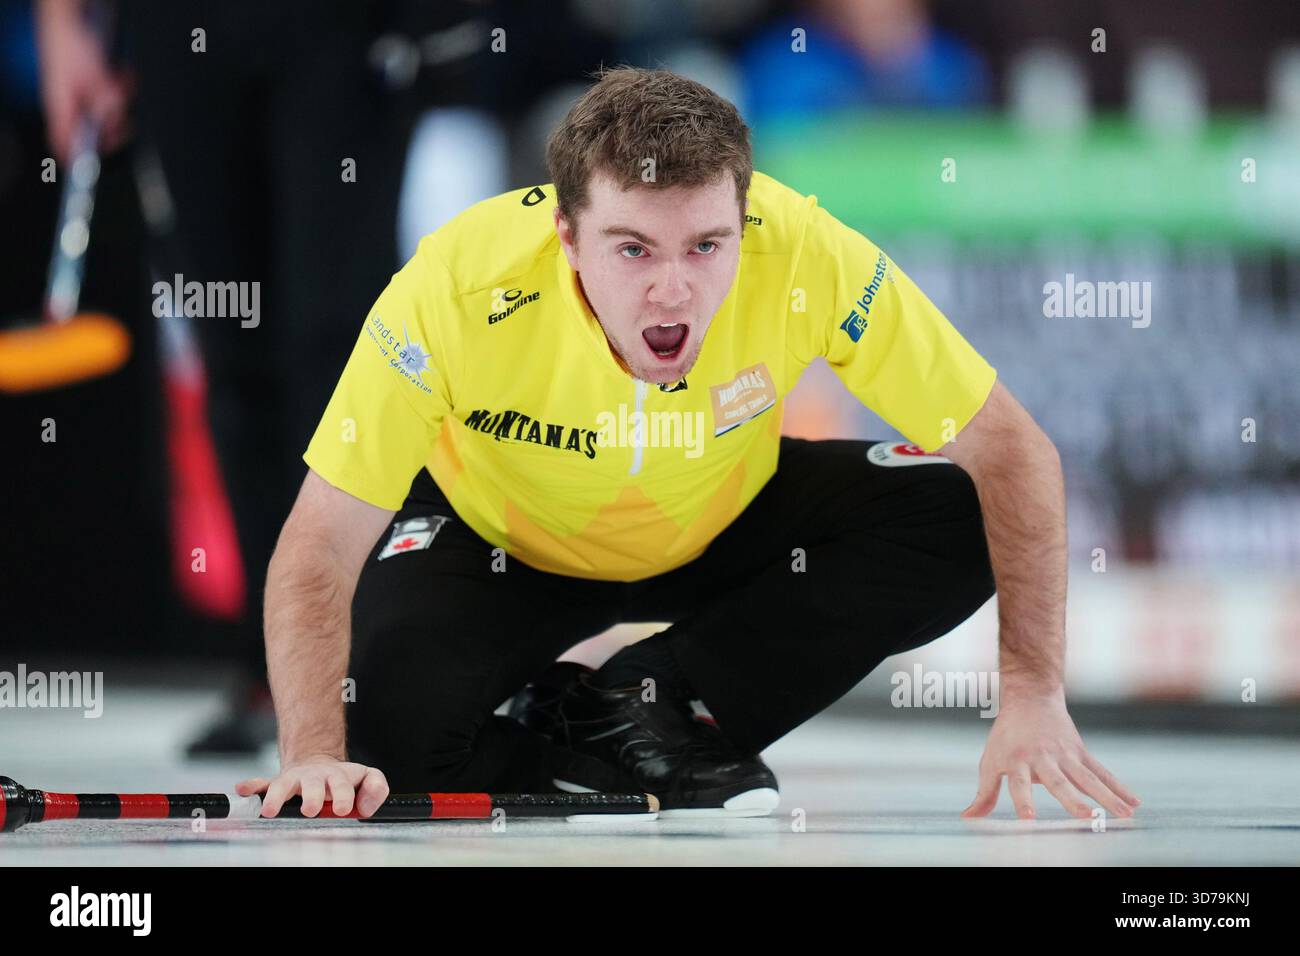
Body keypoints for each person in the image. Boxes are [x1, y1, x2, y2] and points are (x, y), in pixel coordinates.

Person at [238, 67, 1140, 820]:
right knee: (376, 749)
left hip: (719, 512)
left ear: (746, 225)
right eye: (632, 250)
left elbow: (1015, 451)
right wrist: (312, 752)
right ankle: (581, 744)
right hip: (503, 541)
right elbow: (319, 540)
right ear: (566, 235)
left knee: (959, 514)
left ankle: (649, 701)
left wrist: (1030, 690)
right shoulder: (456, 283)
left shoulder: (808, 253)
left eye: (706, 246)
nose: (672, 292)